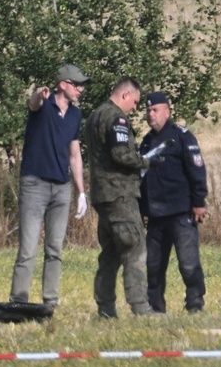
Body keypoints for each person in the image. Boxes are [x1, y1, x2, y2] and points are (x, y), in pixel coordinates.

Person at [9, 64, 89, 308]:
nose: (81, 90)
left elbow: (74, 154)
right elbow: (33, 104)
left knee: (54, 249)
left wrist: (82, 192)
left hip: (62, 188)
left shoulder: (76, 115)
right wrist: (37, 94)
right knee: (28, 249)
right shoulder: (44, 105)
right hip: (35, 185)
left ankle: (50, 302)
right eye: (77, 85)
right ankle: (18, 301)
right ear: (63, 84)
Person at [85, 77, 159, 318]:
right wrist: (147, 161)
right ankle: (141, 307)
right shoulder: (116, 118)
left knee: (111, 254)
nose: (136, 108)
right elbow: (121, 154)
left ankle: (105, 309)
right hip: (120, 194)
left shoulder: (96, 114)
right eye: (135, 102)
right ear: (125, 95)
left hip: (102, 194)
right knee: (134, 247)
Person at [139, 91, 208, 314]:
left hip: (181, 212)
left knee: (188, 264)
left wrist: (199, 201)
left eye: (155, 110)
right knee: (153, 267)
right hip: (156, 215)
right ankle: (155, 308)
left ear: (167, 112)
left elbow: (197, 169)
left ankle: (195, 305)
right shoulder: (147, 141)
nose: (151, 114)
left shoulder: (182, 137)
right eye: (148, 110)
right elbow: (141, 177)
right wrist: (142, 209)